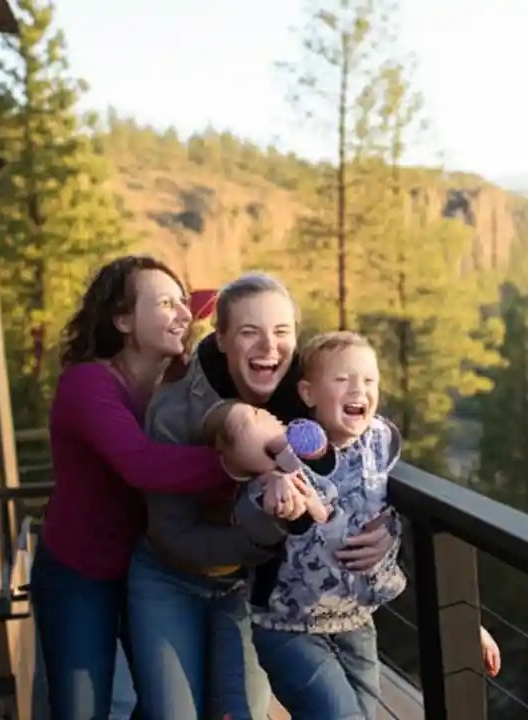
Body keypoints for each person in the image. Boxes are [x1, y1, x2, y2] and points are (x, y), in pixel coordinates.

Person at [125, 273, 379, 719]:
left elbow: (368, 466)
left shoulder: (310, 394)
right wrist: (271, 527)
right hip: (171, 577)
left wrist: (391, 546)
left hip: (251, 592)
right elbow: (175, 536)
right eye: (249, 332)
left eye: (282, 332)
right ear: (221, 338)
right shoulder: (174, 410)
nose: (269, 347)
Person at [30, 255, 268, 719]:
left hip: (152, 568)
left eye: (183, 301)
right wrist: (240, 465)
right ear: (122, 320)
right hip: (82, 572)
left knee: (166, 702)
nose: (183, 313)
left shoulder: (183, 384)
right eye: (164, 303)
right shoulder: (88, 386)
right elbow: (142, 466)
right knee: (82, 708)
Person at [249, 330, 502, 719]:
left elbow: (414, 536)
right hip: (288, 625)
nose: (359, 389)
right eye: (343, 379)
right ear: (308, 393)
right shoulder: (284, 452)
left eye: (369, 380)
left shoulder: (379, 444)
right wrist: (275, 487)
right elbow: (254, 505)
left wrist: (467, 624)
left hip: (356, 621)